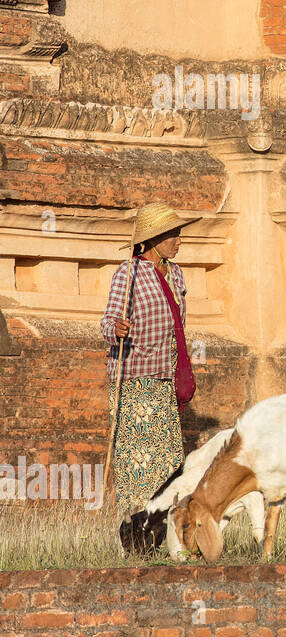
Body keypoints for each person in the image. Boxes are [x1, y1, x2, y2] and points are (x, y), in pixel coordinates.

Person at [100, 202, 199, 521]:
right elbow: (107, 321)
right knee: (138, 462)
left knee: (169, 463)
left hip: (165, 382)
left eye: (179, 234)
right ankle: (134, 527)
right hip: (135, 385)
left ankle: (164, 526)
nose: (179, 241)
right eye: (173, 235)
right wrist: (117, 328)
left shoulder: (176, 274)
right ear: (154, 239)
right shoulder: (127, 274)